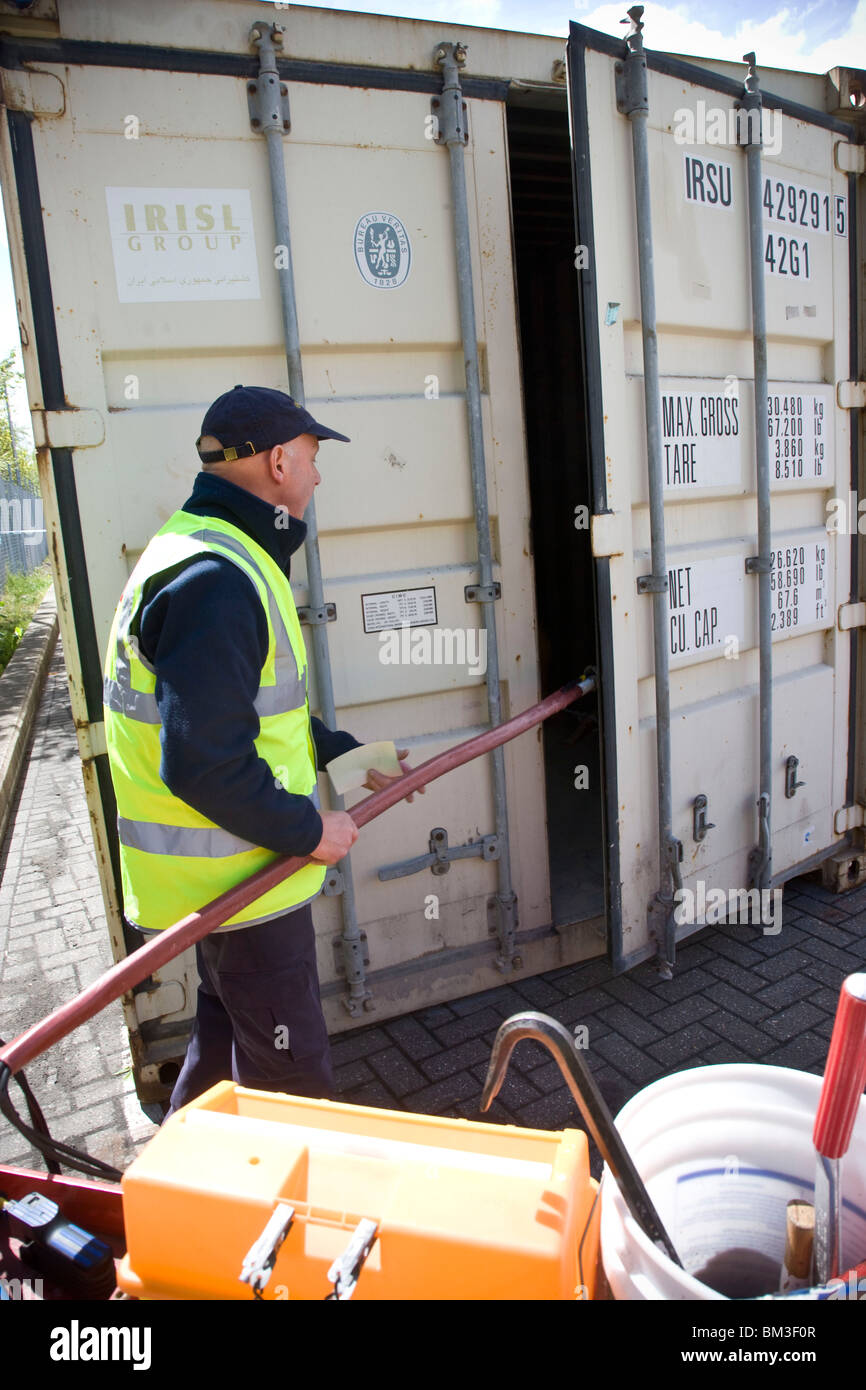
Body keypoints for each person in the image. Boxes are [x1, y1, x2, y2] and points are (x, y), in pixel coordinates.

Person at [102, 384, 422, 1115]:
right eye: (311, 457)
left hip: (223, 884)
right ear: (278, 462)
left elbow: (245, 716)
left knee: (221, 1046)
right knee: (291, 1082)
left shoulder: (204, 549)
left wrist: (344, 756)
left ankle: (178, 1186)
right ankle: (288, 1219)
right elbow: (205, 762)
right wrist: (311, 830)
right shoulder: (218, 579)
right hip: (245, 880)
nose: (317, 475)